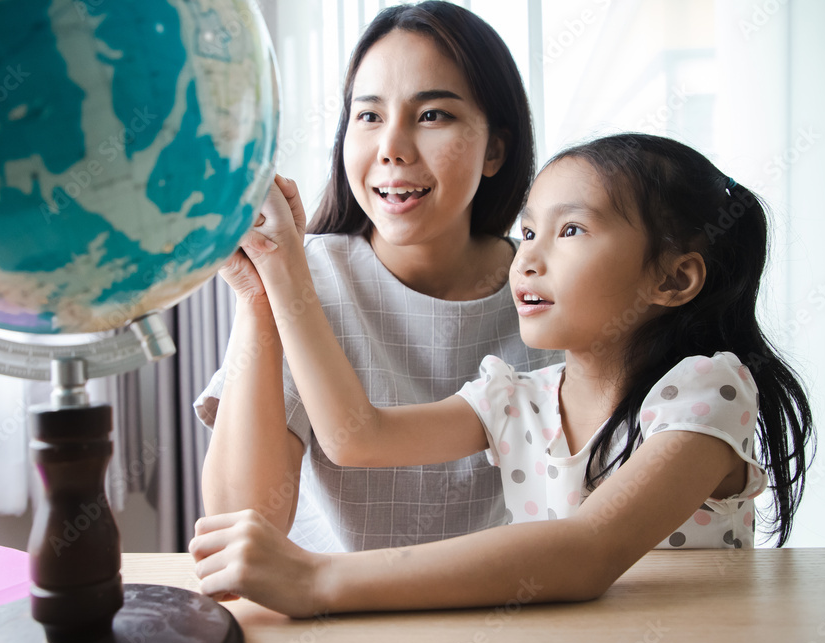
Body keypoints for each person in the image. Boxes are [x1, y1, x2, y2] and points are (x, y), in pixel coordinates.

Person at [189, 133, 815, 617]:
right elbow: (357, 436)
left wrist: (317, 578)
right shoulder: (518, 398)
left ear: (673, 279)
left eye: (570, 230)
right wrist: (279, 266)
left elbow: (587, 552)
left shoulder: (707, 393)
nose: (529, 259)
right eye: (528, 231)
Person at [195, 1, 559, 552]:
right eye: (369, 116)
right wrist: (262, 296)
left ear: (496, 149)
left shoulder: (547, 285)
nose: (391, 148)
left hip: (507, 611)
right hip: (337, 615)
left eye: (432, 115)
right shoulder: (303, 273)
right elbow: (242, 522)